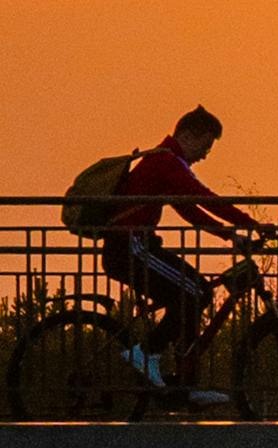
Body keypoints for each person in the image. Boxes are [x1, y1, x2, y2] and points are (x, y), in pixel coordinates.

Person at [101, 107, 265, 389]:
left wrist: (230, 235)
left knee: (195, 293)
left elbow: (190, 210)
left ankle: (185, 386)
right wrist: (252, 223)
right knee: (197, 292)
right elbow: (204, 198)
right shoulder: (167, 162)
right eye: (206, 145)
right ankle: (146, 352)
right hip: (130, 249)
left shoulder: (164, 163)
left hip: (136, 248)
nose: (205, 155)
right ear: (188, 136)